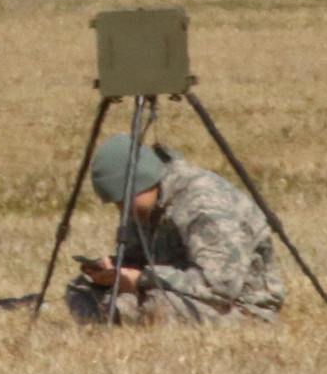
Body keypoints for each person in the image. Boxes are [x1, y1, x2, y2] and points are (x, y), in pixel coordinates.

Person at [65, 133, 286, 325]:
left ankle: (121, 320)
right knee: (82, 291)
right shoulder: (146, 204)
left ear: (143, 182)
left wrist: (142, 278)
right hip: (171, 289)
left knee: (159, 306)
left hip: (238, 307)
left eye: (123, 201)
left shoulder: (204, 203)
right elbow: (141, 261)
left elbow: (219, 287)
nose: (122, 210)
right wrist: (116, 271)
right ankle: (117, 320)